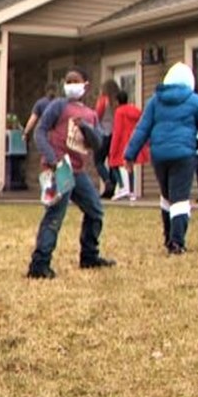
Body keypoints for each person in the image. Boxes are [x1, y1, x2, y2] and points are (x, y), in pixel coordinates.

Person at [122, 62, 198, 256]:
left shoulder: (155, 101)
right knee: (179, 199)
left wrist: (130, 154)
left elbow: (142, 129)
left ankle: (168, 237)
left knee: (166, 196)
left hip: (159, 155)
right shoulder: (196, 102)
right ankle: (177, 242)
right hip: (184, 155)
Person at [26, 65, 114, 278]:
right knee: (55, 215)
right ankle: (39, 264)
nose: (71, 85)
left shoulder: (91, 115)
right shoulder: (58, 106)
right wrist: (52, 159)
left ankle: (89, 256)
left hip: (78, 171)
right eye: (68, 81)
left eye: (75, 81)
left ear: (86, 85)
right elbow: (40, 132)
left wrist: (87, 129)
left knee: (95, 211)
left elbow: (98, 143)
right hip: (59, 169)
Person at [108, 86, 144, 201]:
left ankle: (122, 187)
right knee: (129, 166)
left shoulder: (119, 112)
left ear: (118, 101)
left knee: (114, 163)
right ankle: (131, 191)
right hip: (132, 141)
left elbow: (117, 131)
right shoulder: (135, 111)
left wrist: (113, 148)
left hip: (121, 143)